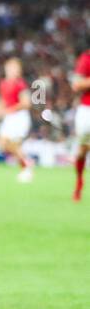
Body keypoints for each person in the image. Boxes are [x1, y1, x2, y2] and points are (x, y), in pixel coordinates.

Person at [0, 57, 34, 183]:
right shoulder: (3, 83)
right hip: (10, 117)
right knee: (2, 145)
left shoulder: (20, 84)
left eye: (15, 68)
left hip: (19, 117)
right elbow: (2, 100)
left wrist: (8, 111)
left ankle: (26, 168)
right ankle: (26, 163)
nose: (12, 70)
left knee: (13, 144)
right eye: (10, 67)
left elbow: (26, 103)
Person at [72, 48, 90, 202]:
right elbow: (76, 84)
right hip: (87, 109)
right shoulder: (86, 57)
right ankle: (79, 182)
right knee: (83, 149)